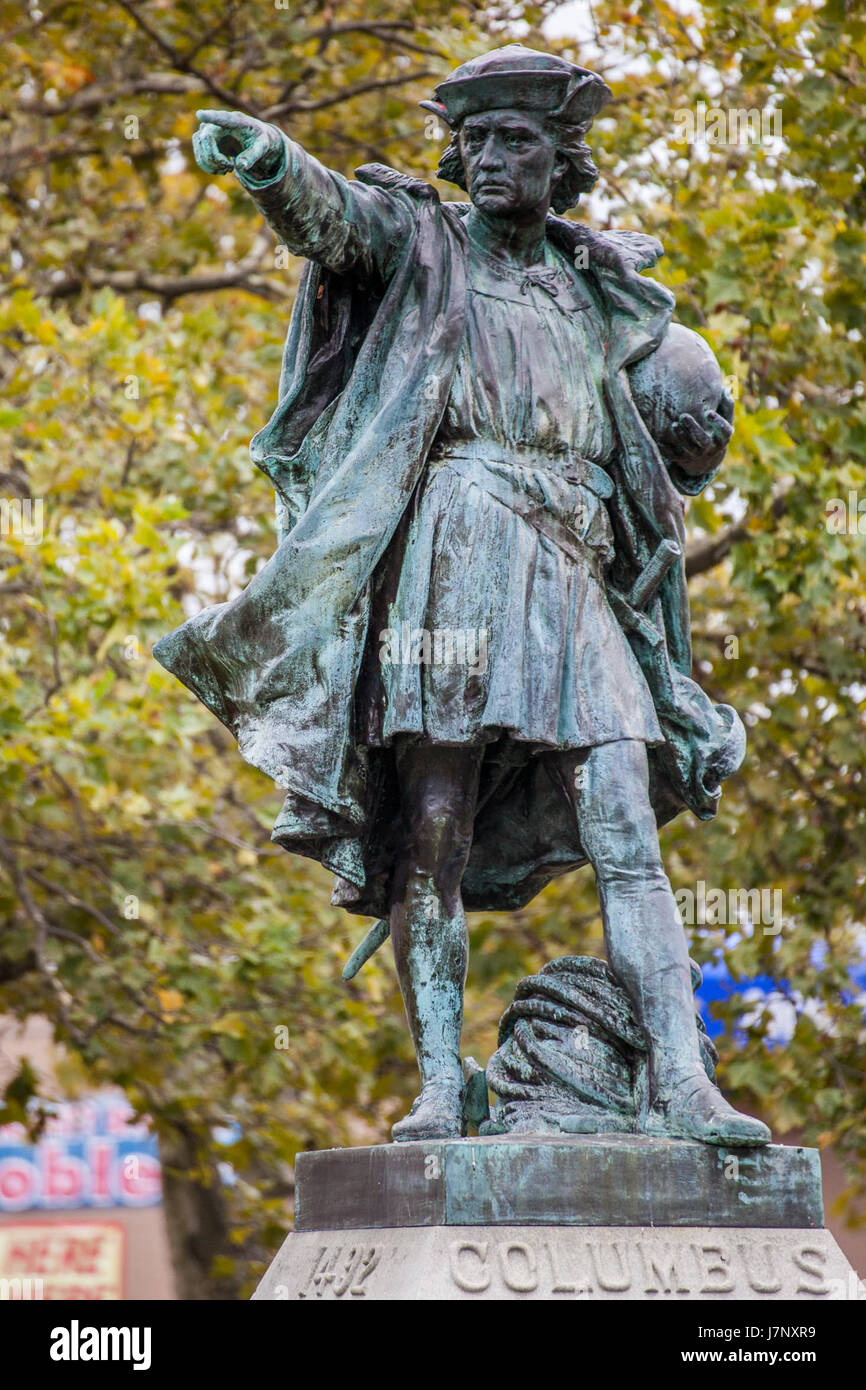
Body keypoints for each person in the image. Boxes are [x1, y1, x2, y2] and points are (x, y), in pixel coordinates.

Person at [155, 46, 769, 1147]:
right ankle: (441, 1080)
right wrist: (269, 163)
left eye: (514, 141)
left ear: (559, 159)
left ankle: (683, 1084)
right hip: (455, 546)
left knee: (625, 820)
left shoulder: (595, 284)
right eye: (474, 140)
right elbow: (333, 219)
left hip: (572, 567)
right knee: (429, 825)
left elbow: (670, 440)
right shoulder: (424, 241)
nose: (489, 158)